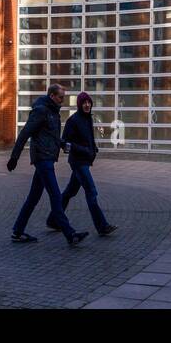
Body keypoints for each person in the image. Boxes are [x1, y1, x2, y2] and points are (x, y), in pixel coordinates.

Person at [7, 83, 88, 246]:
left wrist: (62, 143)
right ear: (52, 96)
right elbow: (25, 133)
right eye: (60, 97)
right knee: (56, 196)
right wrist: (14, 157)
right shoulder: (41, 110)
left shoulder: (53, 112)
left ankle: (18, 231)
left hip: (48, 157)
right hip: (42, 159)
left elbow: (50, 135)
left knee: (33, 198)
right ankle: (70, 234)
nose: (62, 101)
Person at [48, 91, 117, 237]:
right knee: (91, 192)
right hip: (78, 162)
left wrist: (93, 148)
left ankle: (53, 220)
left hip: (85, 160)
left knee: (69, 192)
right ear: (79, 105)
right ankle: (102, 226)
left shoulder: (88, 118)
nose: (87, 105)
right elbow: (64, 142)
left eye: (89, 102)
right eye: (84, 103)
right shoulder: (73, 121)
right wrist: (84, 149)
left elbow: (88, 138)